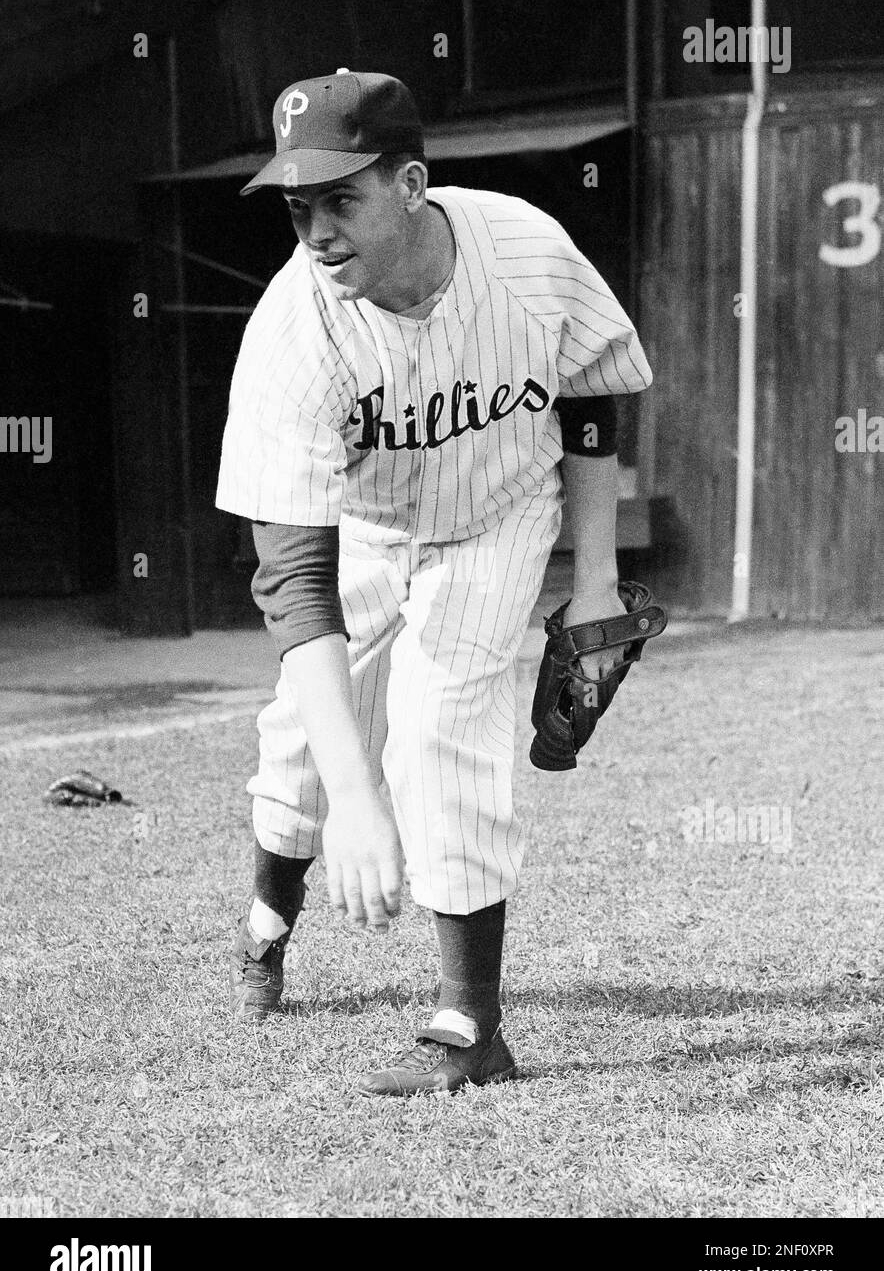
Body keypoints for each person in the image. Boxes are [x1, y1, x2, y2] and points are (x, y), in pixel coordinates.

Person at [216, 69, 652, 1095]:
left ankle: (469, 1028)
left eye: (340, 199)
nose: (316, 231)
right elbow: (293, 582)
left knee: (436, 725)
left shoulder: (524, 250)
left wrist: (595, 581)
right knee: (303, 755)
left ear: (411, 183)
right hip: (362, 533)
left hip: (495, 518)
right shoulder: (293, 333)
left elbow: (591, 396)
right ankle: (266, 924)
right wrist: (358, 803)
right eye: (297, 206)